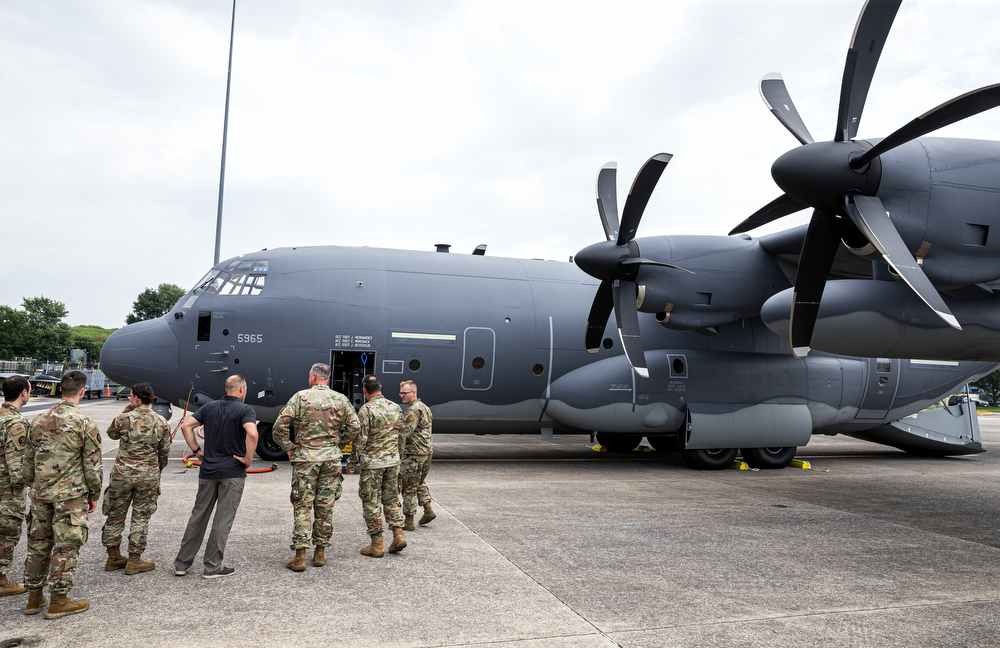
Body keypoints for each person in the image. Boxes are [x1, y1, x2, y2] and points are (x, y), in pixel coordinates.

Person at [22, 370, 102, 619]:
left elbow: (28, 461)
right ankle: (58, 601)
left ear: (60, 390)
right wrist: (94, 494)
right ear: (82, 391)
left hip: (40, 493)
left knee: (38, 545)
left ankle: (33, 600)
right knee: (66, 546)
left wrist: (32, 486)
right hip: (69, 496)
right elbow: (92, 466)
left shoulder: (37, 420)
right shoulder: (85, 423)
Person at [272, 363, 360, 571]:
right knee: (325, 505)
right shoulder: (340, 399)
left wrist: (288, 446)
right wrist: (339, 442)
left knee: (302, 504)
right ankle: (320, 554)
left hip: (306, 459)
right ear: (327, 378)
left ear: (313, 376)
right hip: (331, 459)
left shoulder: (300, 397)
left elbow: (279, 426)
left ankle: (300, 556)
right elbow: (355, 426)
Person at [174, 374, 258, 579]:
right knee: (222, 519)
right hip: (232, 472)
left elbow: (186, 426)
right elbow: (253, 433)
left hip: (208, 470)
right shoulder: (245, 409)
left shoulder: (209, 407)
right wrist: (247, 459)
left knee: (198, 516)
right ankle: (212, 567)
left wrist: (196, 451)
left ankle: (182, 564)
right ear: (242, 390)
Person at [101, 383, 171, 575]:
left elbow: (111, 434)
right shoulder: (161, 421)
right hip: (147, 476)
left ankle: (113, 557)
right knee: (141, 517)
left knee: (115, 516)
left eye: (130, 396)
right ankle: (134, 559)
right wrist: (157, 470)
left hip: (122, 475)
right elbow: (164, 453)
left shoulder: (124, 419)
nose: (129, 399)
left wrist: (124, 412)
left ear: (137, 398)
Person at [345, 375, 405, 557]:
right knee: (391, 498)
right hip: (392, 461)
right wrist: (398, 455)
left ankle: (377, 544)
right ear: (380, 387)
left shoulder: (366, 410)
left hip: (373, 464)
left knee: (371, 501)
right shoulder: (395, 407)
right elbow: (402, 436)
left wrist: (352, 462)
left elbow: (360, 439)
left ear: (364, 391)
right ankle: (398, 534)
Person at [0, 375, 30, 597]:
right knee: (7, 533)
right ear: (24, 393)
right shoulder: (15, 423)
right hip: (7, 492)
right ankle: (1, 580)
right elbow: (17, 467)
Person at [398, 380, 435, 531]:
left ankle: (408, 521)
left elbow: (405, 433)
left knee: (408, 486)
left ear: (414, 393)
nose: (402, 396)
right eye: (400, 393)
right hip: (426, 453)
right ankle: (428, 510)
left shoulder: (412, 410)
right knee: (419, 482)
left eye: (405, 393)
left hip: (414, 454)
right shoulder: (425, 407)